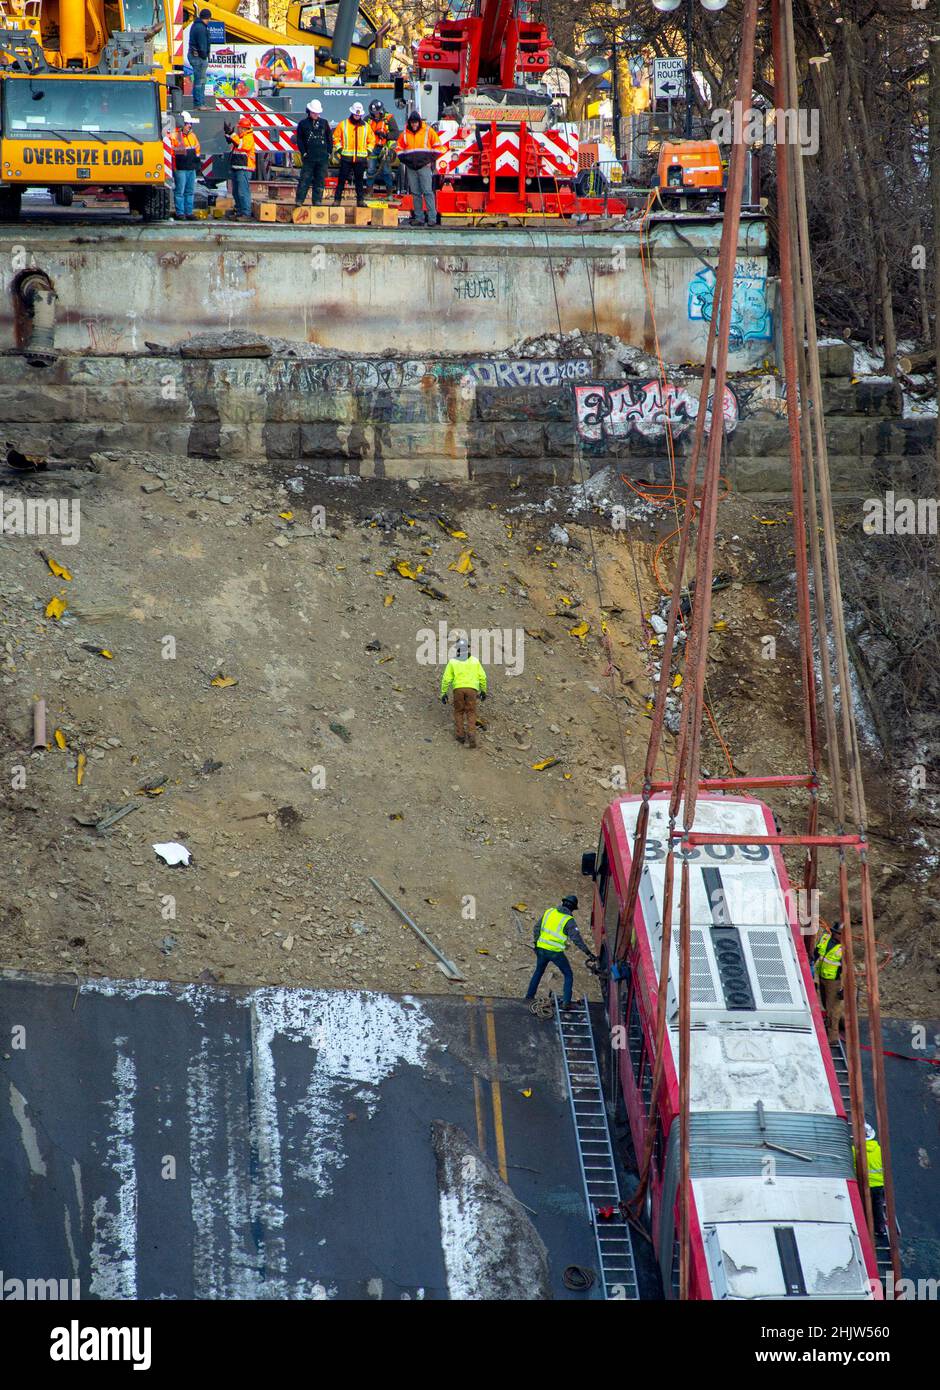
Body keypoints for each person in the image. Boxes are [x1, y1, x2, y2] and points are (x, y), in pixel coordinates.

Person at [525, 895, 596, 1009]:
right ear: (573, 908)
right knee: (568, 974)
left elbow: (536, 928)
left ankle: (529, 997)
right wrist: (588, 953)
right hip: (555, 953)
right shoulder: (568, 920)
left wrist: (537, 944)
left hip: (541, 949)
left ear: (562, 903)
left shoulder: (550, 912)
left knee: (538, 971)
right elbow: (577, 939)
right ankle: (566, 1003)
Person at [396, 109, 442, 226]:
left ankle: (432, 218)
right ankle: (419, 218)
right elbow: (398, 149)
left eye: (416, 122)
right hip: (411, 168)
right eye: (412, 122)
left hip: (424, 167)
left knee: (427, 192)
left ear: (419, 122)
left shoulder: (428, 131)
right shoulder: (405, 134)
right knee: (416, 193)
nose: (414, 124)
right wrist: (406, 161)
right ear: (410, 123)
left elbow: (439, 147)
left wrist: (430, 161)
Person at [440, 637, 487, 747]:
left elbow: (446, 679)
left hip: (458, 689)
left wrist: (443, 692)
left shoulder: (452, 662)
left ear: (458, 650)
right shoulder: (475, 661)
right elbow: (483, 677)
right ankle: (471, 734)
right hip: (472, 690)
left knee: (459, 711)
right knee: (471, 712)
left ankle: (460, 735)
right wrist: (483, 690)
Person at [332, 101, 375, 208]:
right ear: (352, 112)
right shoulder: (344, 124)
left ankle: (360, 201)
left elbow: (372, 140)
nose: (357, 116)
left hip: (360, 159)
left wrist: (368, 151)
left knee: (359, 181)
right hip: (346, 158)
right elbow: (335, 138)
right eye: (356, 114)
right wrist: (340, 149)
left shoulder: (366, 126)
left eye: (359, 115)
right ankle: (337, 200)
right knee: (341, 180)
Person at [294, 98, 332, 206]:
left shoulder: (324, 123)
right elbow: (300, 140)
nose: (316, 114)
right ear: (309, 111)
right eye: (314, 112)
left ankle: (317, 201)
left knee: (320, 180)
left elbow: (329, 138)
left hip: (322, 157)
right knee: (304, 179)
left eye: (317, 113)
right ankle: (299, 200)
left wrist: (329, 152)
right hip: (309, 157)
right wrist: (304, 153)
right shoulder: (303, 124)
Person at [815, 918, 844, 1043]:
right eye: (839, 934)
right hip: (822, 977)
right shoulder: (826, 938)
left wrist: (844, 987)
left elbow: (848, 971)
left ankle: (833, 1036)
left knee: (833, 1008)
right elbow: (817, 952)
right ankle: (839, 1024)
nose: (840, 936)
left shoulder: (844, 948)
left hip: (834, 981)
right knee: (826, 1004)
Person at [169, 111, 201, 221]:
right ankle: (180, 213)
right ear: (182, 124)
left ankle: (188, 212)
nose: (190, 125)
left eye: (190, 123)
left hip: (190, 168)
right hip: (181, 168)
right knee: (180, 191)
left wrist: (196, 164)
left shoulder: (192, 136)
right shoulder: (176, 136)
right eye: (188, 123)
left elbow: (197, 150)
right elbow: (172, 152)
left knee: (189, 191)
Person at [225, 115, 256, 219]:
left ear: (244, 128)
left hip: (245, 168)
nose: (238, 129)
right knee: (236, 192)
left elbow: (241, 145)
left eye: (239, 127)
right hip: (238, 167)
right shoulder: (241, 137)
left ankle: (246, 213)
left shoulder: (248, 138)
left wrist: (232, 134)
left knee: (243, 192)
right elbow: (235, 142)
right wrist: (228, 135)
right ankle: (239, 212)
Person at [861, 1122, 888, 1238]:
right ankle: (880, 1228)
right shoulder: (880, 1150)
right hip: (879, 1184)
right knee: (877, 1206)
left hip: (866, 1184)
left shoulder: (855, 1150)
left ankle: (866, 1228)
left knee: (865, 1206)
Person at [366, 99, 399, 194]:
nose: (376, 114)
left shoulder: (389, 119)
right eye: (374, 113)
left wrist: (385, 135)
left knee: (386, 171)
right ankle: (369, 192)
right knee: (371, 170)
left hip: (385, 149)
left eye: (377, 112)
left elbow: (396, 134)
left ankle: (389, 193)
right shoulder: (367, 119)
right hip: (372, 148)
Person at [187, 8, 213, 109]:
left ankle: (200, 103)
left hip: (195, 56)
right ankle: (199, 104)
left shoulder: (196, 25)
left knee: (200, 80)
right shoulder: (201, 28)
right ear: (207, 18)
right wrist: (204, 56)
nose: (209, 21)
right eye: (209, 18)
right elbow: (202, 45)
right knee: (200, 81)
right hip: (198, 57)